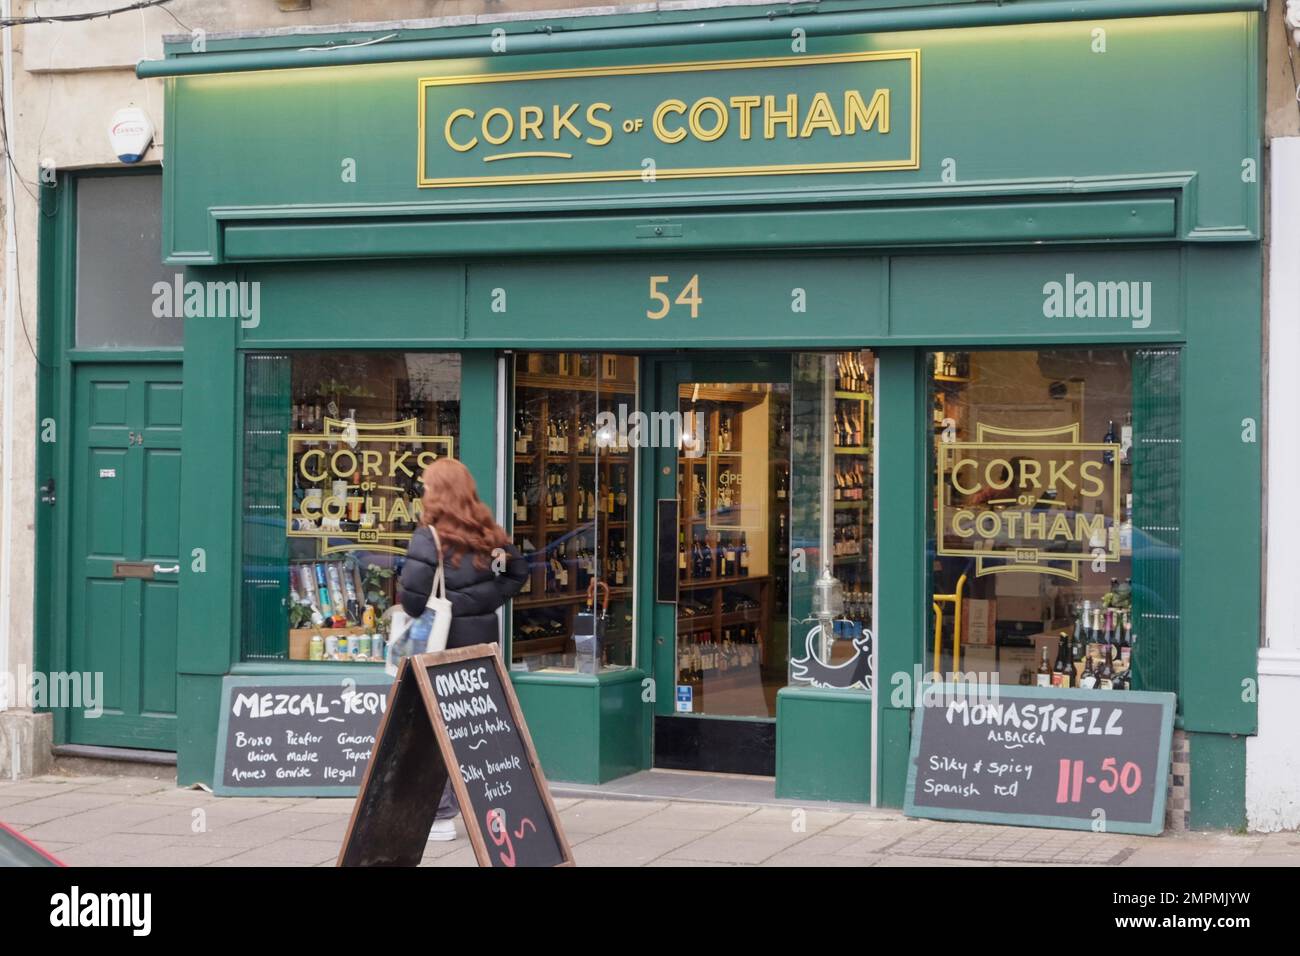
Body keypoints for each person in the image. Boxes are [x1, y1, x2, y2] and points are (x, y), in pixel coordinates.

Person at [398, 458, 529, 841]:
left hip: (441, 646)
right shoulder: (490, 534)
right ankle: (490, 804)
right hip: (481, 646)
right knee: (476, 726)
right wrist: (486, 600)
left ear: (437, 492)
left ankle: (440, 815)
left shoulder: (428, 537)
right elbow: (519, 573)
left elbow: (413, 602)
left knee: (435, 729)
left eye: (426, 486)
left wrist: (451, 603)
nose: (422, 491)